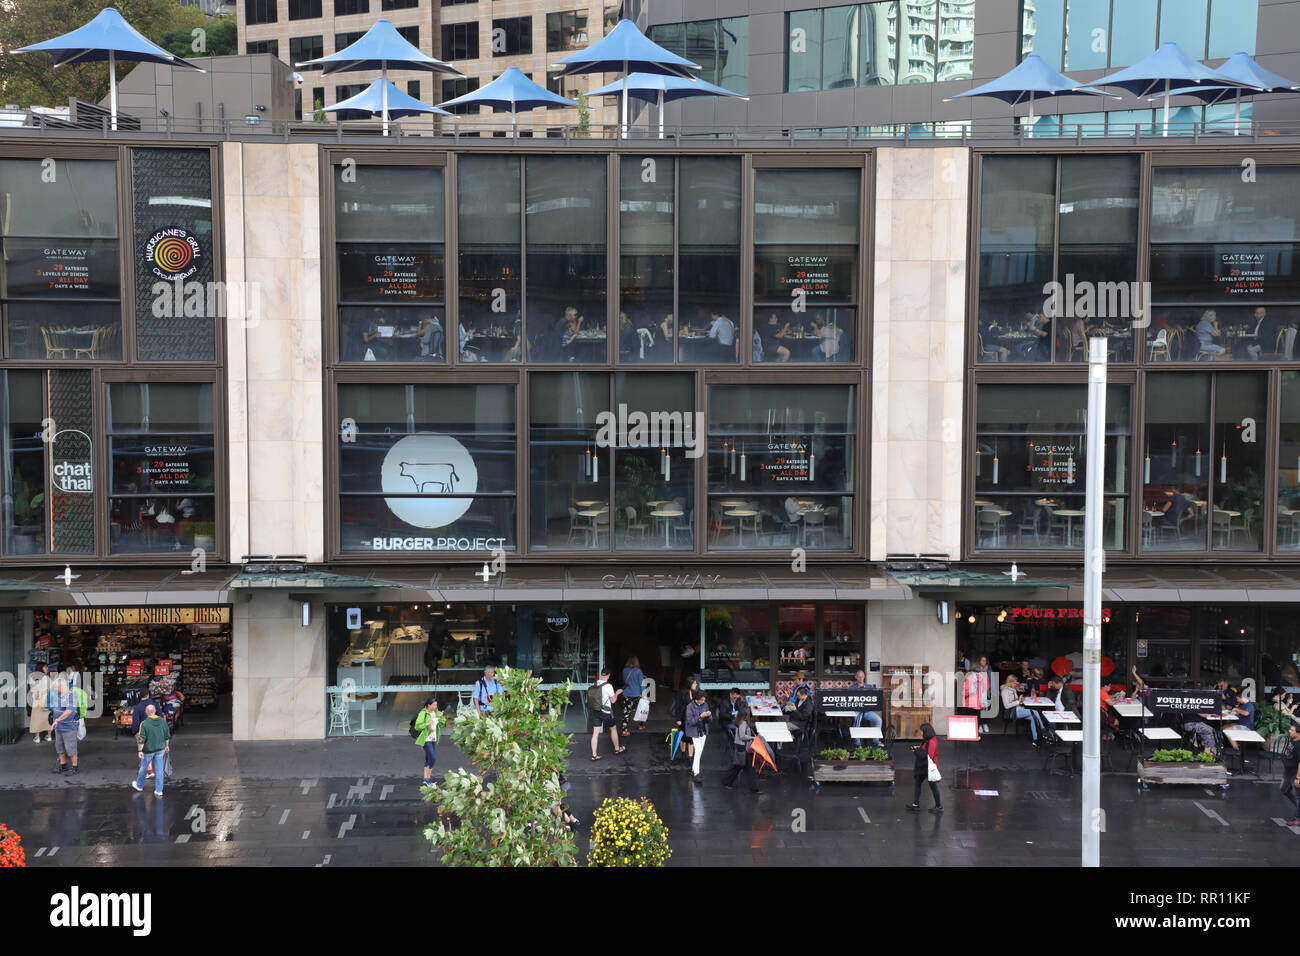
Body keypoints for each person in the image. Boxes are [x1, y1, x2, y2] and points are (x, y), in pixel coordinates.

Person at [721, 702, 762, 793]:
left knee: (737, 767)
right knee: (749, 769)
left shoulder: (739, 722)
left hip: (740, 747)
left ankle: (726, 782)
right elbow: (742, 736)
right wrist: (753, 737)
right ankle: (754, 789)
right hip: (743, 747)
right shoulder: (743, 723)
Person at [132, 703, 170, 796]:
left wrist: (140, 750)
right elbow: (167, 735)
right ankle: (159, 790)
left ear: (146, 712)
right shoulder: (163, 721)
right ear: (155, 711)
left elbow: (141, 739)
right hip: (160, 749)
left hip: (148, 750)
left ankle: (139, 785)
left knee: (144, 767)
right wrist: (167, 746)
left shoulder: (144, 724)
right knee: (159, 769)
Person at [589, 667, 625, 760]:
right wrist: (617, 693)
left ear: (602, 674)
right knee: (613, 729)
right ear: (609, 675)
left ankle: (594, 755)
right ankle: (617, 749)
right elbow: (613, 701)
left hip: (595, 711)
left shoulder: (595, 683)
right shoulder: (608, 686)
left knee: (595, 733)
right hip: (606, 712)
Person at [46, 679, 80, 775]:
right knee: (59, 747)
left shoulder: (71, 695)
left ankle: (75, 767)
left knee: (71, 747)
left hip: (69, 726)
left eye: (55, 686)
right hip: (59, 726)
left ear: (61, 686)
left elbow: (69, 711)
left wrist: (57, 720)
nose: (54, 688)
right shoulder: (59, 695)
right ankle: (63, 765)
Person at [908, 722, 943, 813]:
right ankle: (916, 804)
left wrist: (916, 751)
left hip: (928, 768)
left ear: (926, 732)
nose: (921, 733)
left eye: (922, 731)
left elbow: (928, 756)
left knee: (933, 786)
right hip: (923, 767)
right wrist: (917, 748)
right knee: (918, 783)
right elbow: (924, 750)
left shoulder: (931, 742)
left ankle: (939, 807)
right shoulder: (929, 739)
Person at [1000, 675, 1044, 745]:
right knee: (1034, 712)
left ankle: (1035, 739)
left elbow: (1014, 701)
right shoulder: (1005, 691)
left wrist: (1020, 700)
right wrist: (1018, 701)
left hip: (1017, 709)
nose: (1016, 684)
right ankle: (1043, 731)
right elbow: (1006, 706)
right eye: (1014, 683)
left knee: (1033, 717)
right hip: (1012, 712)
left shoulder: (1013, 689)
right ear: (1010, 682)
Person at [672, 676, 700, 765]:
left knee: (692, 738)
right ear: (690, 684)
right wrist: (678, 719)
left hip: (692, 719)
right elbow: (678, 706)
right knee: (683, 737)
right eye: (694, 683)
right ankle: (683, 754)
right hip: (683, 718)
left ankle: (690, 757)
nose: (696, 684)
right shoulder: (682, 693)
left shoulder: (695, 693)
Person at [684, 690, 712, 783]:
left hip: (703, 731)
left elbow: (709, 720)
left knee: (699, 752)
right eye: (702, 700)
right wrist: (700, 716)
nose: (704, 701)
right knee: (698, 750)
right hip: (694, 732)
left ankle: (693, 769)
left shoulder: (705, 705)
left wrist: (709, 715)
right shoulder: (690, 707)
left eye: (704, 700)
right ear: (697, 699)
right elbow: (690, 721)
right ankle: (696, 773)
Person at [959, 656, 991, 732]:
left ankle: (974, 729)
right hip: (980, 700)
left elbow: (966, 689)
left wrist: (964, 694)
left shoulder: (969, 676)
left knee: (972, 715)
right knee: (980, 713)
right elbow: (987, 687)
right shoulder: (984, 676)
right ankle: (980, 727)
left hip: (971, 701)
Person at [414, 696, 441, 784]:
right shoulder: (423, 713)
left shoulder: (436, 712)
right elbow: (417, 726)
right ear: (428, 705)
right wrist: (427, 723)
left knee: (428, 758)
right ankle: (427, 778)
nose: (435, 707)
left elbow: (441, 724)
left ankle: (426, 779)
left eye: (436, 705)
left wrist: (441, 717)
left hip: (434, 738)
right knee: (432, 758)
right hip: (426, 739)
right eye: (434, 705)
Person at [620, 655, 645, 735]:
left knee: (626, 713)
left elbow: (624, 681)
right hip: (636, 694)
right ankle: (641, 725)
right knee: (641, 709)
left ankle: (624, 730)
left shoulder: (624, 670)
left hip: (627, 693)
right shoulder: (638, 671)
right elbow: (642, 683)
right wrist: (644, 694)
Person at [1281, 723, 1300, 826]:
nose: (1290, 731)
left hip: (1295, 773)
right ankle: (1298, 808)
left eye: (1292, 730)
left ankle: (1298, 818)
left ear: (1298, 733)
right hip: (1287, 771)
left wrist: (1298, 778)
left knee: (1298, 796)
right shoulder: (1293, 739)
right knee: (1284, 789)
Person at [28, 662, 51, 743]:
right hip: (46, 701)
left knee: (36, 719)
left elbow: (32, 689)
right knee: (48, 718)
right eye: (45, 667)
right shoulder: (47, 678)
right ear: (41, 668)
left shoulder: (32, 677)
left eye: (47, 667)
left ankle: (37, 737)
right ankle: (49, 736)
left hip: (37, 701)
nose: (47, 669)